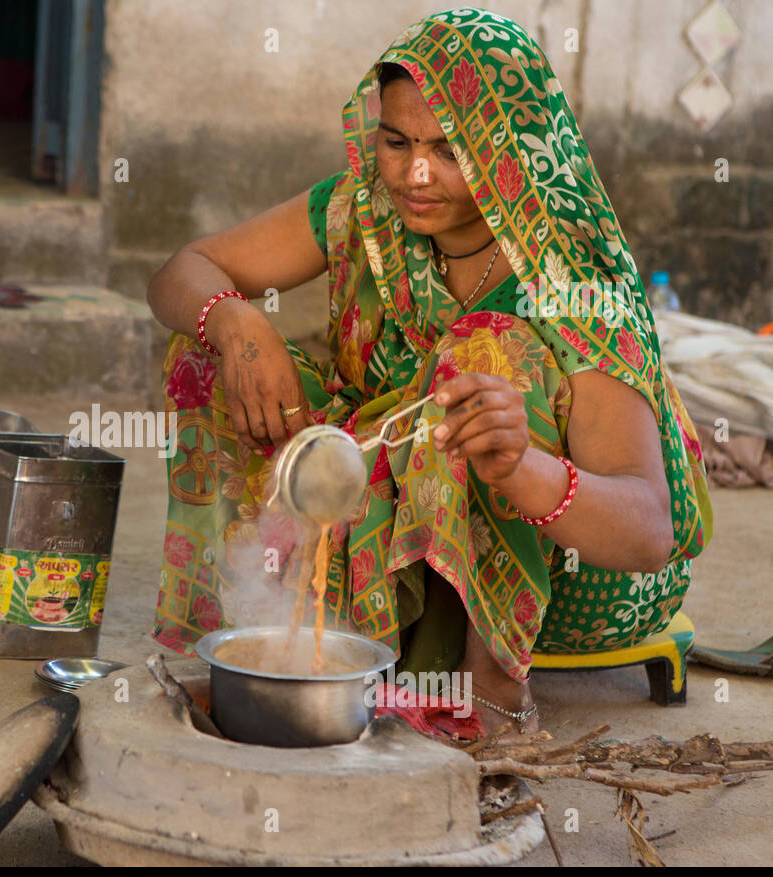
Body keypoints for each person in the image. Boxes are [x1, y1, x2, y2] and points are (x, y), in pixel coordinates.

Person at [146, 7, 712, 736]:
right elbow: (180, 273)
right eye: (397, 142)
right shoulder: (366, 209)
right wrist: (239, 324)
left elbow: (646, 531)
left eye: (452, 148)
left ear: (508, 146)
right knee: (203, 351)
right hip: (417, 508)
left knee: (484, 350)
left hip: (581, 574)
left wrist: (519, 466)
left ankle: (492, 692)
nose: (416, 173)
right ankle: (260, 627)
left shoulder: (570, 267)